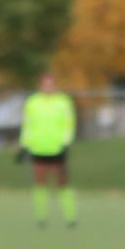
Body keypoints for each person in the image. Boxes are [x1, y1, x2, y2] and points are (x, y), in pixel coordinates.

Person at [19, 74, 77, 229]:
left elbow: (69, 123)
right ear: (40, 85)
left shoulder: (63, 102)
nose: (48, 87)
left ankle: (70, 217)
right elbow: (27, 124)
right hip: (38, 147)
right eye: (45, 84)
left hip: (58, 147)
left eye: (51, 84)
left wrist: (66, 143)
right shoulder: (32, 102)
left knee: (62, 181)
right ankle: (41, 218)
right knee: (39, 182)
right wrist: (24, 145)